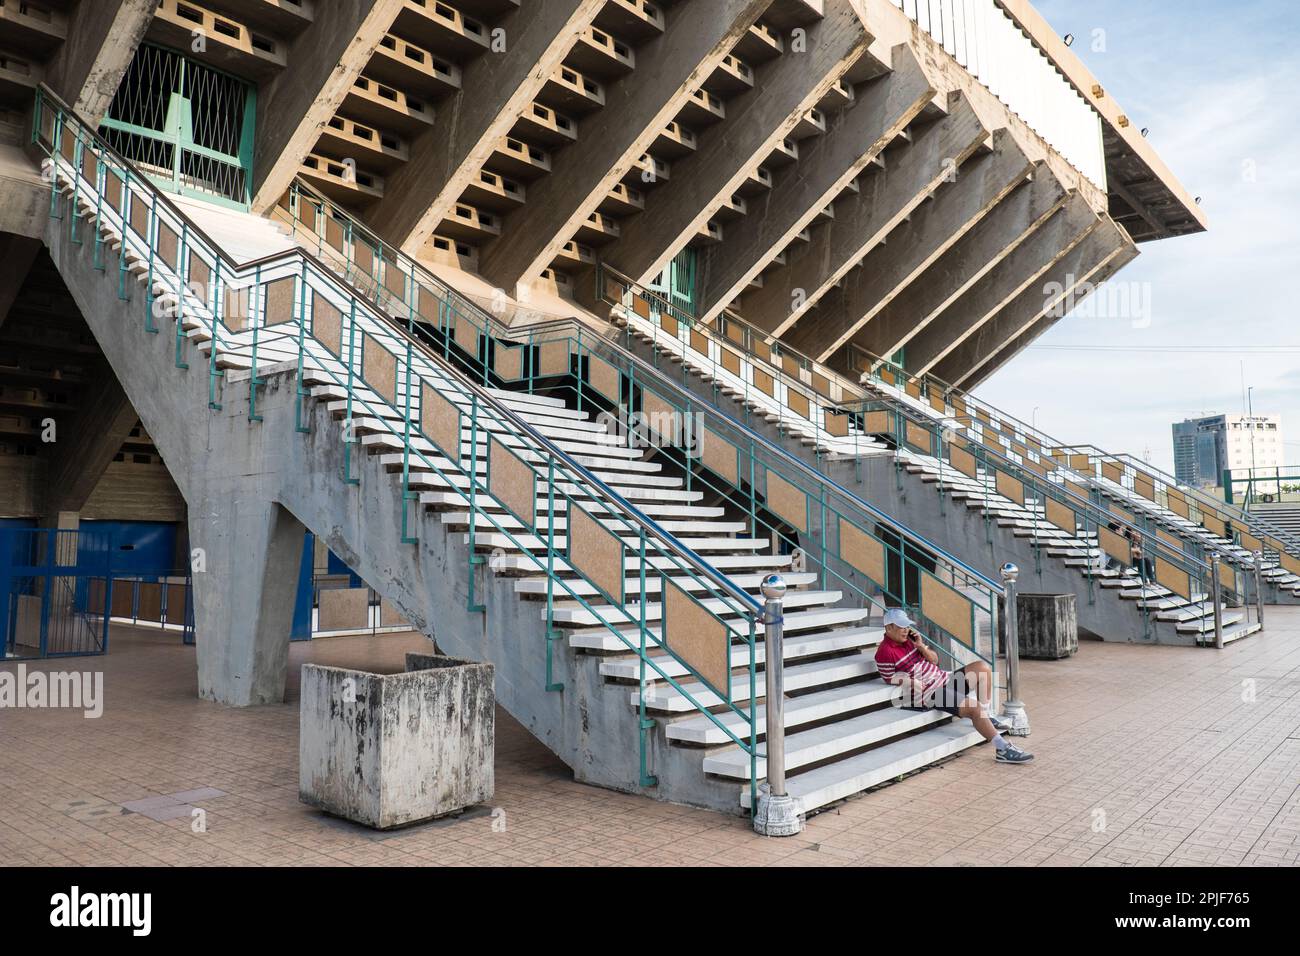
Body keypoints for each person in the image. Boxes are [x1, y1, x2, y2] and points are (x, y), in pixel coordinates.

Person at [874, 607, 1033, 764]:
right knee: (974, 708)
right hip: (931, 693)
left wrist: (921, 647)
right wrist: (911, 681)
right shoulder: (884, 651)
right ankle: (1002, 748)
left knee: (982, 669)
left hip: (943, 679)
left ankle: (987, 716)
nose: (905, 630)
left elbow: (935, 660)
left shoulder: (910, 641)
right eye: (901, 626)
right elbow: (888, 678)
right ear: (889, 627)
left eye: (907, 626)